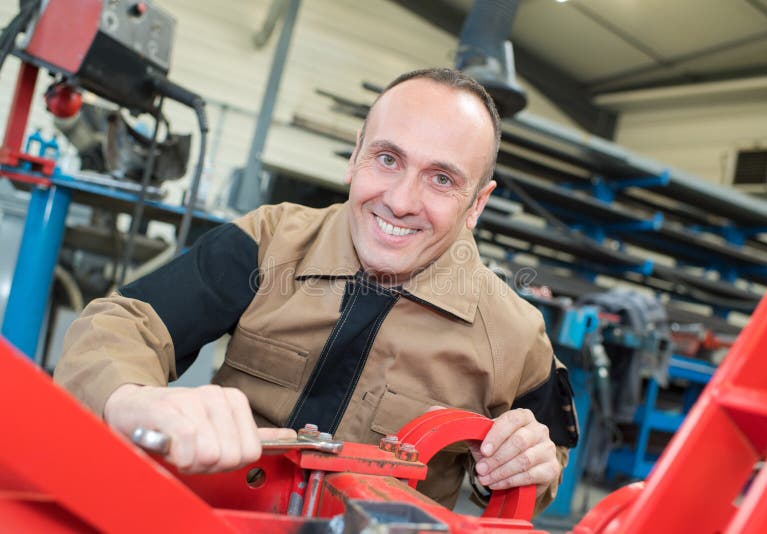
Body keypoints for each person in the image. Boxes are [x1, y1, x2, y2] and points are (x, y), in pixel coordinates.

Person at [54, 68, 578, 514]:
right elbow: (124, 321)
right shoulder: (269, 242)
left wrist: (516, 465)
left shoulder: (516, 334)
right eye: (388, 159)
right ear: (355, 156)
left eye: (441, 179)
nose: (399, 201)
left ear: (478, 204)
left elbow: (544, 461)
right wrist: (131, 401)